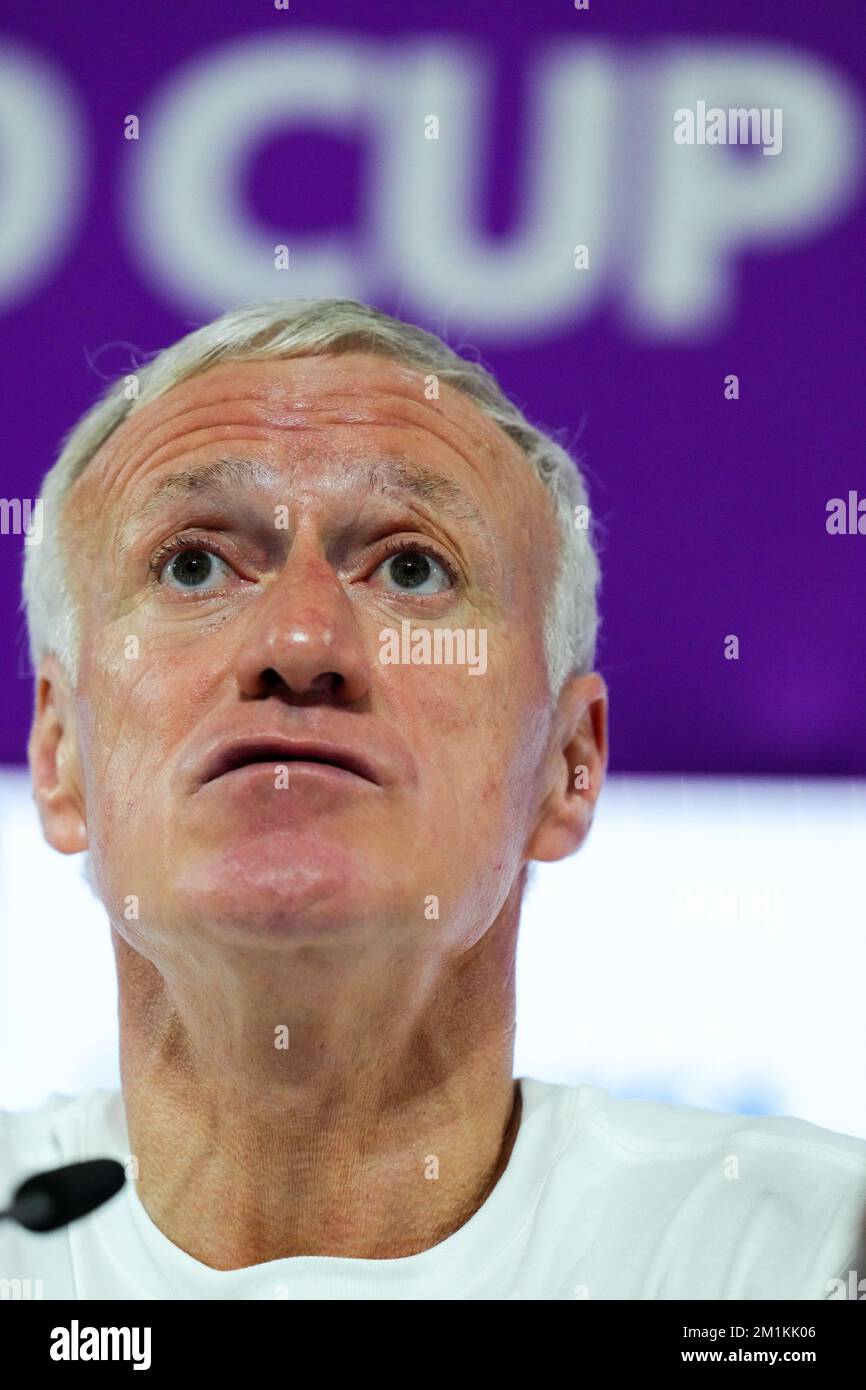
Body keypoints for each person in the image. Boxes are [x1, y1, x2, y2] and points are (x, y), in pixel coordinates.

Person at [2, 298, 864, 1300]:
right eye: (194, 564)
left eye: (410, 568)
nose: (300, 646)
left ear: (566, 767)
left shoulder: (792, 1265)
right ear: (59, 755)